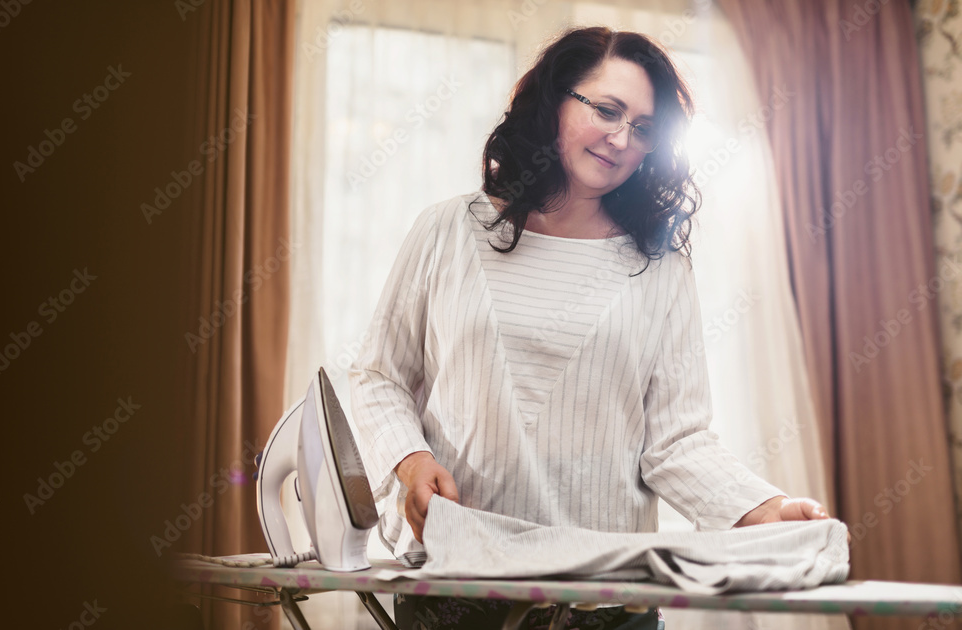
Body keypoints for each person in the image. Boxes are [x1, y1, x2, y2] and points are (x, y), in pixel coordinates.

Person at [349, 26, 830, 630]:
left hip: (607, 605)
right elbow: (378, 377)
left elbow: (676, 442)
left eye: (644, 128)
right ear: (553, 101)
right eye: (607, 110)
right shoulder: (447, 231)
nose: (622, 138)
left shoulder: (659, 267)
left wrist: (764, 508)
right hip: (456, 587)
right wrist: (411, 461)